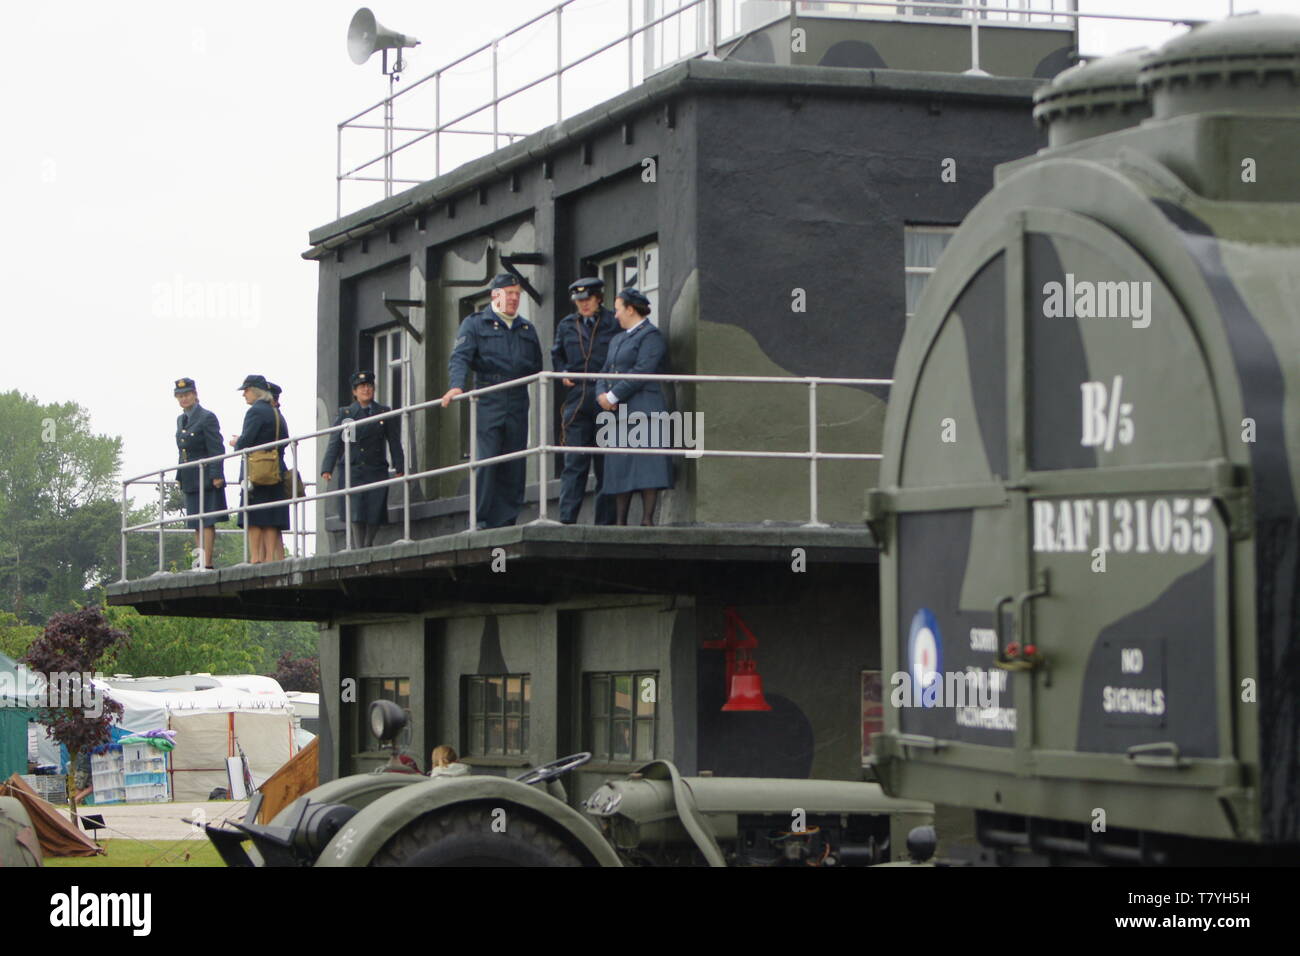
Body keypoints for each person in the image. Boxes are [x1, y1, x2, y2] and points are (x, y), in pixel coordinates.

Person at [440, 274, 544, 529]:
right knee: (487, 459)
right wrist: (456, 386)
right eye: (508, 293)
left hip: (518, 396)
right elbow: (460, 357)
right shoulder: (476, 324)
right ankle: (481, 519)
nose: (513, 299)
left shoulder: (527, 329)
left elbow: (537, 365)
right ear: (494, 295)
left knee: (515, 460)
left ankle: (507, 519)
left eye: (517, 295)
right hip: (489, 395)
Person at [597, 289, 673, 525]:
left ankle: (647, 520)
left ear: (630, 309)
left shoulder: (651, 336)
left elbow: (643, 370)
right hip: (619, 412)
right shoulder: (617, 339)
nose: (615, 314)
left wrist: (613, 394)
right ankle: (621, 521)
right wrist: (600, 393)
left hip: (645, 408)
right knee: (621, 464)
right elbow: (603, 370)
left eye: (618, 309)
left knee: (647, 463)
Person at [552, 277, 619, 525]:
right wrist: (563, 372)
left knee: (606, 463)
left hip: (606, 395)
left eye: (588, 300)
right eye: (579, 301)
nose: (584, 305)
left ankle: (605, 524)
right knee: (574, 462)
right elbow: (557, 354)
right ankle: (567, 520)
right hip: (577, 396)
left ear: (599, 298)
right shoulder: (566, 325)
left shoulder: (613, 322)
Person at [321, 370, 406, 549]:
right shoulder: (348, 413)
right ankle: (360, 547)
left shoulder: (383, 412)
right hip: (355, 468)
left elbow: (394, 441)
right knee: (356, 509)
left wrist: (400, 466)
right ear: (354, 392)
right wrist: (327, 468)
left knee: (375, 509)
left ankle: (368, 543)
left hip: (376, 467)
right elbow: (337, 442)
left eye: (369, 386)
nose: (366, 390)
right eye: (361, 387)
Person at [228, 374, 290, 563]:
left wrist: (237, 443)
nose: (244, 395)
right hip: (276, 468)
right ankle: (270, 558)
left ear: (255, 391)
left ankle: (255, 558)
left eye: (246, 390)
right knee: (272, 517)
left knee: (253, 516)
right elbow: (285, 439)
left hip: (256, 471)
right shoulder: (276, 412)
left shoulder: (255, 411)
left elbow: (247, 441)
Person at [173, 378, 227, 569]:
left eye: (187, 395)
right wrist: (179, 476)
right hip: (189, 476)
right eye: (180, 396)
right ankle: (199, 561)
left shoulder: (206, 417)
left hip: (206, 476)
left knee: (207, 521)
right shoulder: (182, 419)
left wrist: (217, 473)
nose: (184, 399)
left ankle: (207, 562)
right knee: (195, 522)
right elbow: (183, 451)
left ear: (195, 394)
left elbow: (216, 447)